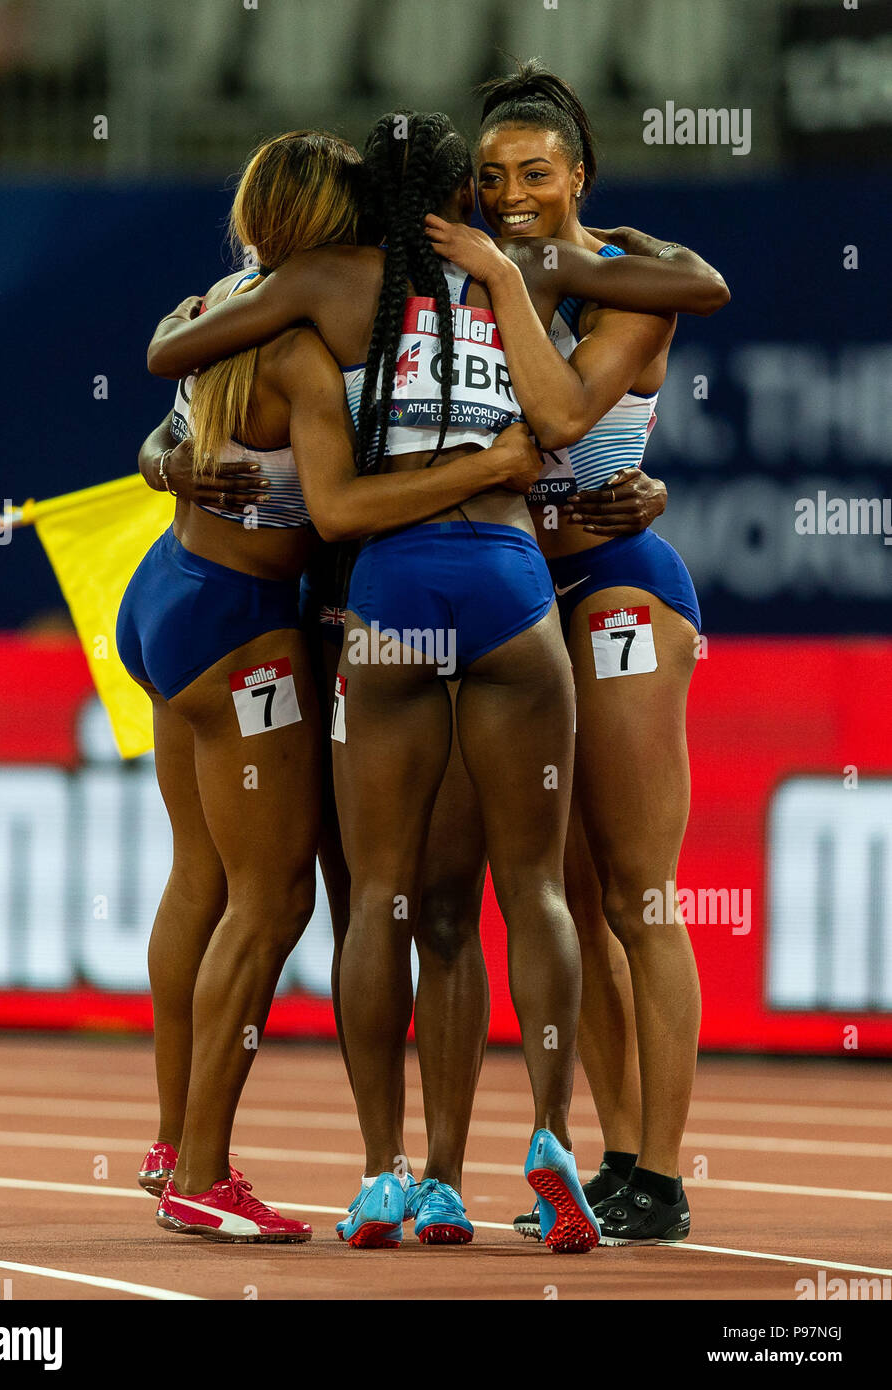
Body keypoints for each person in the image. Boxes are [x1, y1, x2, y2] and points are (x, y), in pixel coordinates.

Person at [122, 128, 542, 1243]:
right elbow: (347, 512)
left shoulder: (228, 300)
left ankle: (171, 1139)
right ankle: (202, 1171)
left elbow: (159, 427)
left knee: (201, 881)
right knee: (280, 899)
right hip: (242, 626)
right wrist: (491, 468)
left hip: (168, 590)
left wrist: (167, 462)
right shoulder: (305, 345)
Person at [421, 59, 728, 1245]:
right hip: (521, 592)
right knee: (574, 895)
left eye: (537, 173)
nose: (514, 193)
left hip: (618, 594)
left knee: (643, 888)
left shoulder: (623, 280)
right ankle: (617, 1155)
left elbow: (555, 420)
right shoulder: (473, 282)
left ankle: (664, 1171)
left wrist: (507, 276)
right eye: (493, 176)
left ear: (579, 176)